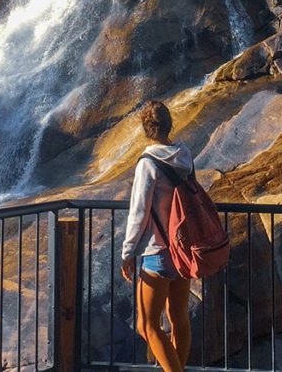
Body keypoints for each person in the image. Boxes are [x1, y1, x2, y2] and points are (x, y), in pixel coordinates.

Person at [121, 100, 193, 372]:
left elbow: (139, 212)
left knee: (147, 325)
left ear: (145, 128)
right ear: (169, 124)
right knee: (178, 318)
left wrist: (128, 252)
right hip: (183, 247)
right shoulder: (184, 154)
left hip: (158, 251)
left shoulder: (148, 163)